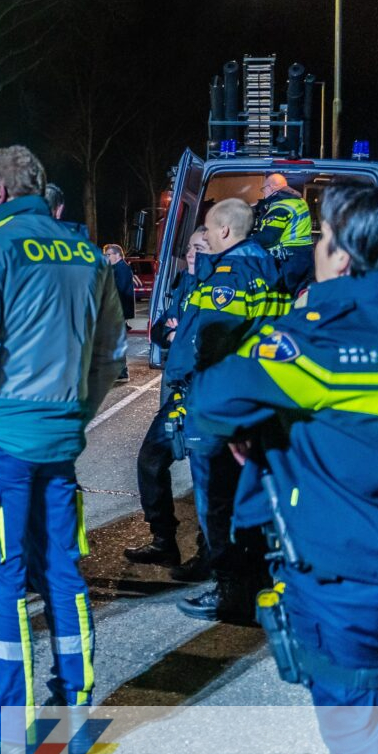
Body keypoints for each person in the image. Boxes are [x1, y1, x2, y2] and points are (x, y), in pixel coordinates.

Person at [189, 182, 378, 754]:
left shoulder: (319, 344)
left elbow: (213, 398)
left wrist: (266, 428)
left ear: (344, 257)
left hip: (350, 588)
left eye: (323, 239)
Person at [0, 146, 126, 754]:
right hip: (57, 442)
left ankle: (9, 728)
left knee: (0, 582)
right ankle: (76, 716)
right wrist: (74, 415)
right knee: (64, 575)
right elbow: (110, 355)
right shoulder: (86, 252)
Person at [167, 199, 292, 623]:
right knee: (249, 498)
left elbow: (214, 344)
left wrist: (198, 397)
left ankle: (229, 591)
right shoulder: (265, 264)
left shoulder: (230, 273)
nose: (204, 237)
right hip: (257, 398)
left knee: (216, 501)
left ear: (223, 231)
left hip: (223, 404)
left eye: (207, 228)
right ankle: (254, 583)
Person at [124, 229, 210, 570]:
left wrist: (180, 332)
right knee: (150, 461)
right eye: (189, 248)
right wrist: (174, 332)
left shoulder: (218, 285)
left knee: (206, 477)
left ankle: (210, 555)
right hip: (182, 391)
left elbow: (208, 337)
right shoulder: (185, 282)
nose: (191, 254)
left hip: (206, 392)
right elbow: (160, 329)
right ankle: (164, 541)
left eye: (200, 248)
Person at [253, 172, 315, 294]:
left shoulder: (281, 206)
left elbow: (269, 237)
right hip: (304, 257)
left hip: (289, 260)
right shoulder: (299, 201)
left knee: (284, 296)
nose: (264, 194)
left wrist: (243, 241)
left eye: (263, 189)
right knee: (299, 295)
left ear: (271, 187)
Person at [104, 243, 136, 380]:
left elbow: (119, 290)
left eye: (108, 254)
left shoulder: (121, 269)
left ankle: (121, 371)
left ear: (117, 255)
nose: (106, 257)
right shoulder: (118, 268)